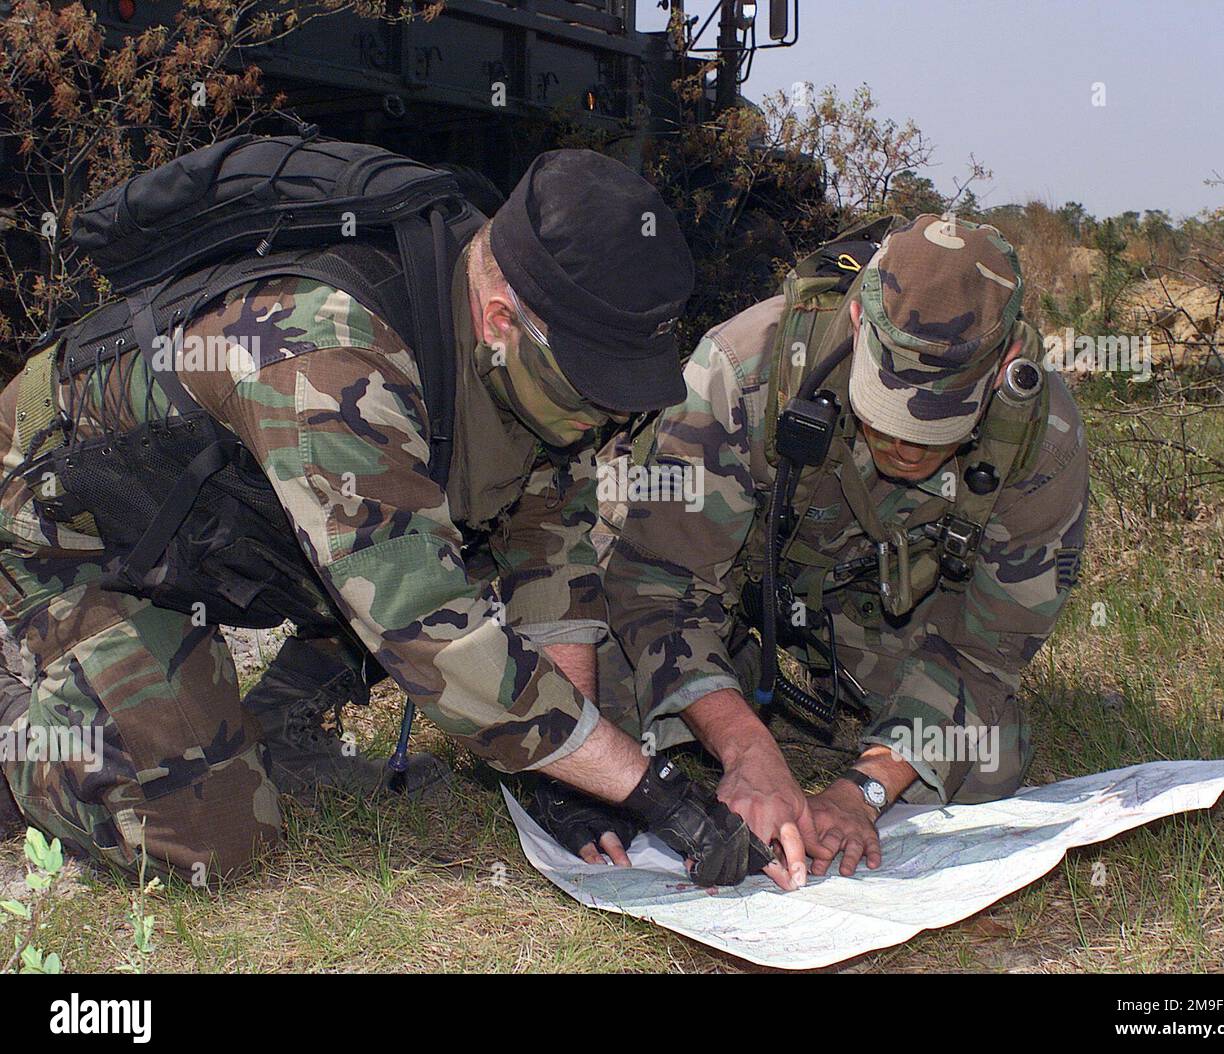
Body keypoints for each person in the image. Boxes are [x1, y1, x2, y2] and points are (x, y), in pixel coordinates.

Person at [0, 148, 757, 888]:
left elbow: (548, 546)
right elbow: (428, 625)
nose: (608, 418)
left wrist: (576, 776)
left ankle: (273, 724)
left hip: (210, 532)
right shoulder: (326, 353)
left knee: (420, 540)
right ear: (501, 320)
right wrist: (653, 790)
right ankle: (20, 730)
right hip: (64, 535)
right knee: (210, 832)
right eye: (594, 391)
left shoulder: (506, 343)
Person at [597, 214, 1089, 886]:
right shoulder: (743, 366)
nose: (906, 444)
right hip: (727, 600)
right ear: (858, 319)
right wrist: (744, 745)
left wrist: (865, 790)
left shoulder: (1042, 435)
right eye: (885, 406)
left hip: (876, 625)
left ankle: (813, 730)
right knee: (593, 692)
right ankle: (743, 711)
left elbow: (984, 654)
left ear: (1004, 365)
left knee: (991, 755)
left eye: (935, 422)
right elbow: (655, 582)